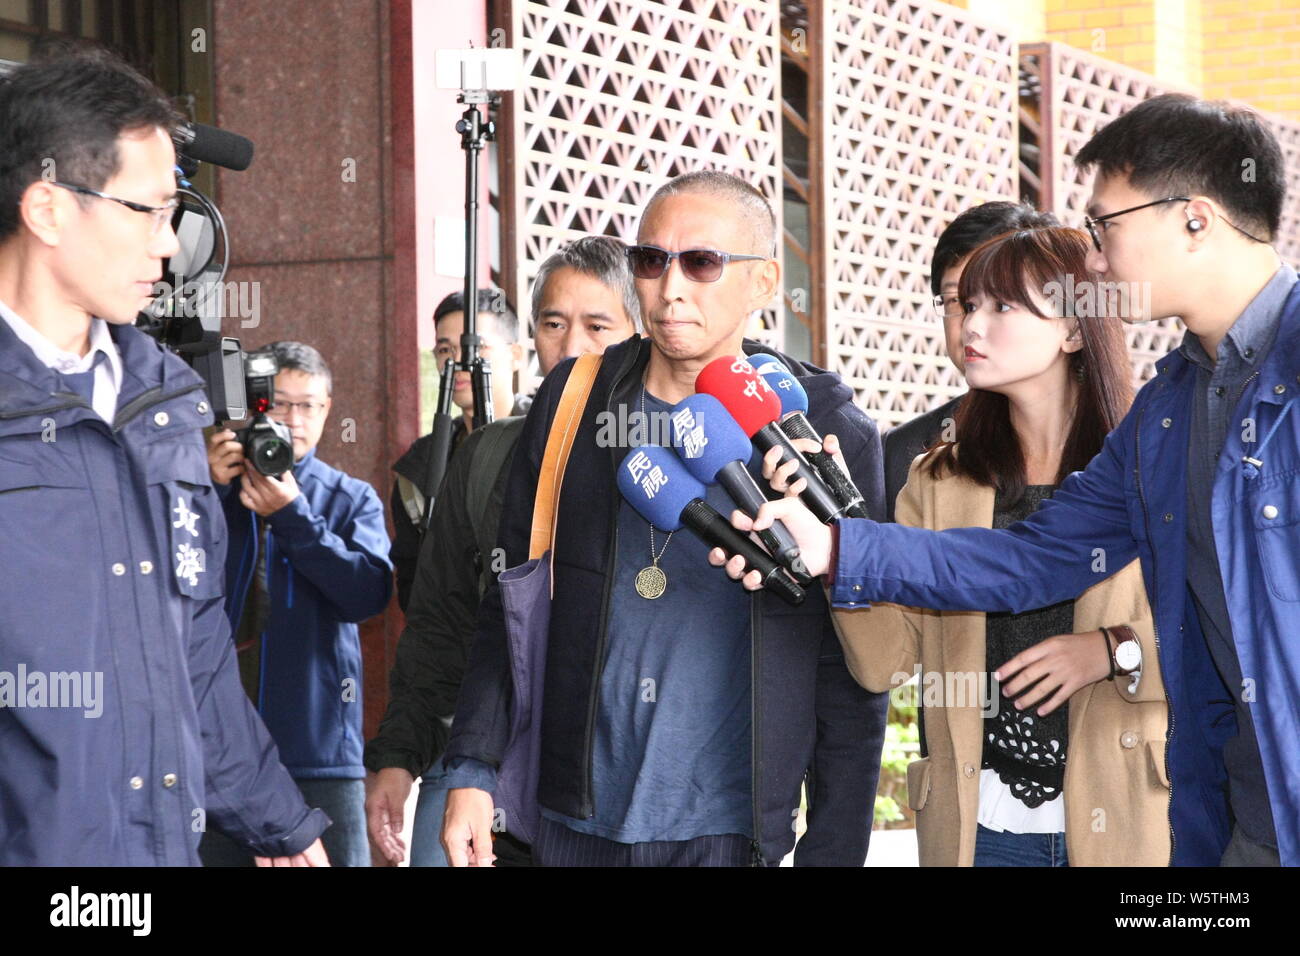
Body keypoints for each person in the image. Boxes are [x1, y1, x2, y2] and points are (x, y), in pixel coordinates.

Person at [717, 93, 1299, 867]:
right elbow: (1026, 559)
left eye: (1106, 227)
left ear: (1195, 218)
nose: (1093, 259)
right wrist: (836, 549)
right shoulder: (1167, 412)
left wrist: (1115, 651)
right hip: (1228, 820)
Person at [441, 170, 889, 867]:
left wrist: (833, 849)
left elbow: (854, 666)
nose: (670, 286)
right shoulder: (575, 402)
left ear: (765, 282)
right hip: (572, 821)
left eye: (702, 263)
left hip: (727, 831)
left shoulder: (824, 430)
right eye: (651, 261)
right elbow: (512, 599)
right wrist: (472, 764)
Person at [0, 47, 327, 865]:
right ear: (47, 208)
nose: (170, 246)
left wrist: (279, 826)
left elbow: (198, 654)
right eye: (147, 212)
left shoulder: (168, 399)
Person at [840, 226, 1170, 866]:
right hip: (979, 823)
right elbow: (884, 664)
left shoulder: (1151, 465)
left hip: (1127, 814)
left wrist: (1113, 650)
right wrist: (838, 543)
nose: (972, 325)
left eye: (1003, 305)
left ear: (1075, 329)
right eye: (966, 304)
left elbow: (1224, 633)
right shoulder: (936, 478)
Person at [364, 235, 641, 866]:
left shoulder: (675, 455)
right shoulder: (488, 458)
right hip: (506, 790)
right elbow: (441, 624)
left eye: (598, 326)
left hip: (633, 802)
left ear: (641, 333)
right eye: (553, 323)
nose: (572, 347)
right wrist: (399, 756)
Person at [203, 341, 392, 866]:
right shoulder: (212, 490)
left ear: (328, 411)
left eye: (308, 404)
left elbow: (367, 595)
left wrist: (294, 517)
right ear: (253, 409)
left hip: (319, 757)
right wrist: (205, 490)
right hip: (217, 756)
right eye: (278, 404)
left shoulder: (350, 498)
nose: (293, 418)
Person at [883, 202, 1059, 522]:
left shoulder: (1137, 445)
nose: (970, 323)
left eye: (1000, 303)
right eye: (959, 301)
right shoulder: (906, 451)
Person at [389, 290, 525, 611]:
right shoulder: (420, 466)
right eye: (445, 349)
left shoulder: (546, 437)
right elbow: (411, 579)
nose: (459, 361)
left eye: (475, 348)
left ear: (515, 355)